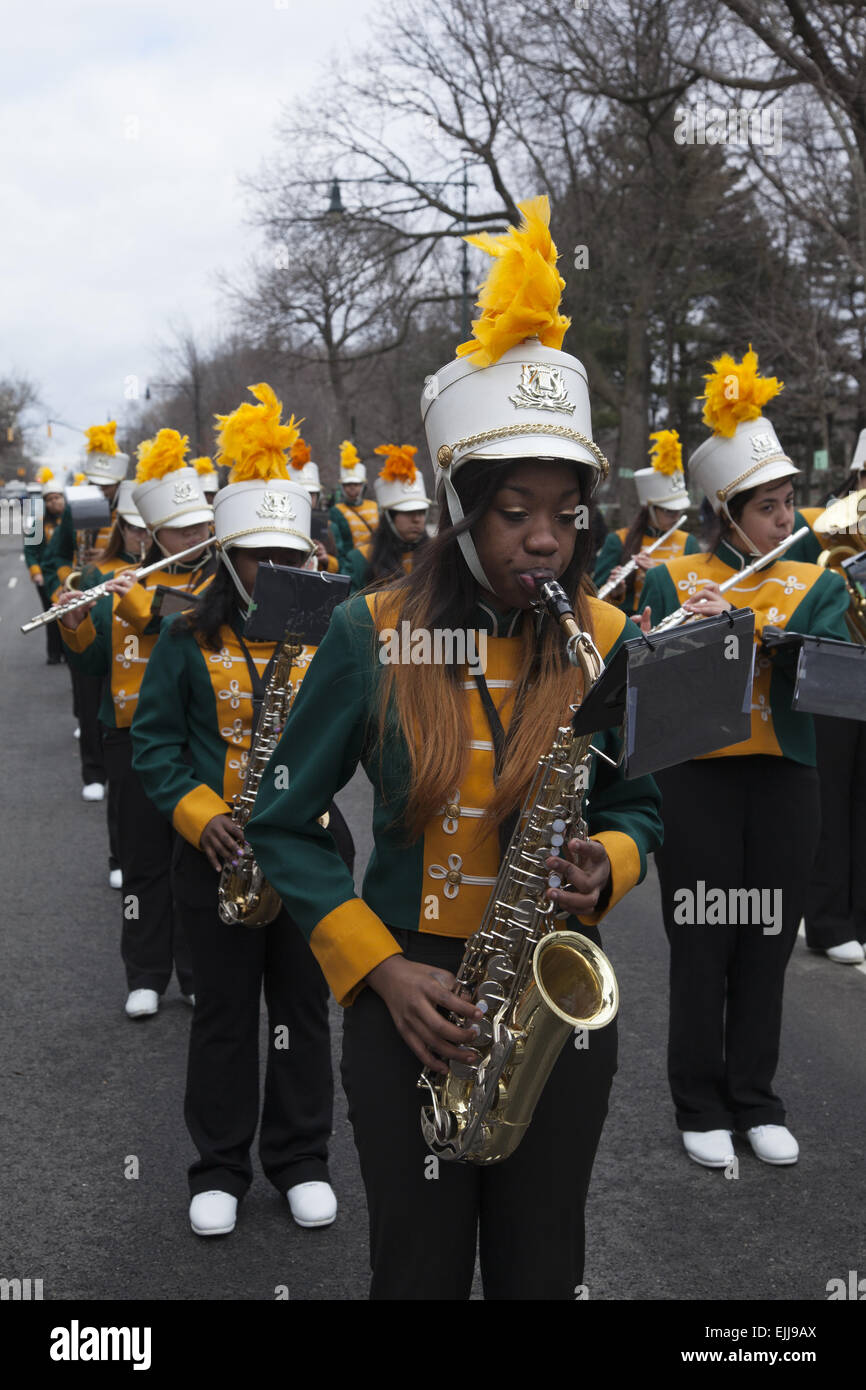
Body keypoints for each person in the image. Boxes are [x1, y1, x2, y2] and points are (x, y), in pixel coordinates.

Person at [247, 199, 662, 1300]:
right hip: (407, 998)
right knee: (418, 1268)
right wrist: (379, 970)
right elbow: (282, 821)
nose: (544, 537)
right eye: (514, 509)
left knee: (543, 1261)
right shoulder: (366, 630)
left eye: (565, 513)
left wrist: (605, 861)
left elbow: (641, 806)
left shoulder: (607, 636)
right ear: (459, 510)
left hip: (550, 994)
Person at [132, 384, 349, 1238]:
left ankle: (301, 1159)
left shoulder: (336, 635)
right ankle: (218, 1164)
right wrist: (200, 816)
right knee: (223, 1014)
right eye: (259, 554)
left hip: (311, 853)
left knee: (304, 1010)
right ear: (227, 558)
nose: (277, 570)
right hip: (215, 854)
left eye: (289, 553)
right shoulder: (187, 638)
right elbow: (153, 745)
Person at [639, 348, 850, 1171]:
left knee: (765, 936)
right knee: (702, 941)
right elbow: (650, 686)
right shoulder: (670, 577)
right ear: (726, 513)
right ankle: (698, 1100)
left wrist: (759, 632)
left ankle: (756, 1097)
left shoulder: (814, 580)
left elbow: (831, 678)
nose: (784, 520)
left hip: (786, 779)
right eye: (768, 507)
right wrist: (690, 628)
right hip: (697, 783)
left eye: (789, 503)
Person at [58, 431, 215, 1016]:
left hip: (194, 740)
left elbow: (184, 622)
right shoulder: (122, 583)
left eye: (202, 526)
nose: (198, 537)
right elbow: (95, 664)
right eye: (184, 531)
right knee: (142, 862)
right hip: (127, 738)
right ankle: (144, 972)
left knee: (194, 861)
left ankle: (196, 970)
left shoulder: (215, 585)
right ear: (154, 535)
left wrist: (134, 603)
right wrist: (76, 622)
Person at [42, 423, 130, 804]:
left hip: (124, 606)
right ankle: (93, 770)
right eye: (96, 482)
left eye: (108, 483)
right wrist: (68, 580)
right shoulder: (76, 506)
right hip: (84, 605)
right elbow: (53, 557)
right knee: (87, 691)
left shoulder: (133, 507)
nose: (102, 489)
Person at [593, 429, 698, 613]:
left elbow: (696, 595)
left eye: (678, 511)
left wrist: (657, 574)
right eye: (668, 511)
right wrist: (615, 594)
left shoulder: (689, 543)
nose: (676, 516)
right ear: (650, 509)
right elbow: (595, 599)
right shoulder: (618, 540)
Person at [342, 443, 431, 593]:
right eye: (408, 512)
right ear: (389, 516)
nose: (417, 519)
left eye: (421, 512)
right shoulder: (359, 559)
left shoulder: (436, 555)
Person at [24, 468, 67, 665]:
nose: (54, 502)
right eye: (49, 499)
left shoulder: (70, 522)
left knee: (69, 614)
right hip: (47, 577)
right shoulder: (39, 524)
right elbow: (30, 551)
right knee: (51, 614)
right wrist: (36, 573)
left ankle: (70, 651)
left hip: (67, 576)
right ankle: (54, 653)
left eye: (57, 497)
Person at [328, 441, 379, 565]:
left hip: (375, 562)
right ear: (342, 487)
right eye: (348, 485)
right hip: (351, 564)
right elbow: (338, 546)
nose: (352, 488)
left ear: (362, 486)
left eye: (356, 484)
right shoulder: (336, 510)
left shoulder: (374, 506)